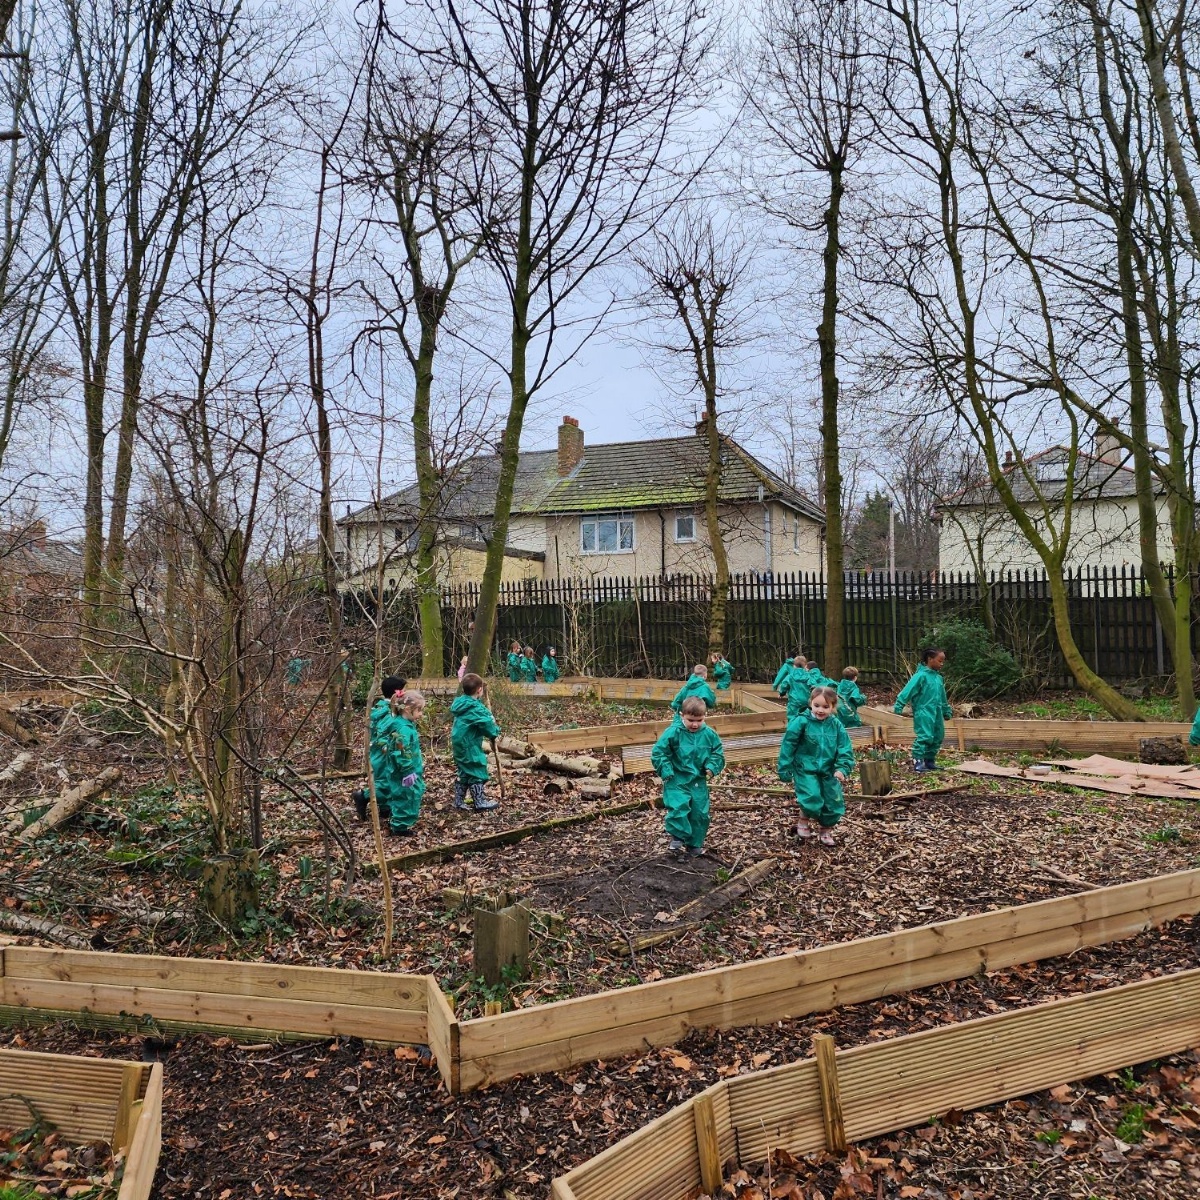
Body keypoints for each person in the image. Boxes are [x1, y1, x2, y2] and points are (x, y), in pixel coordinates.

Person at [778, 684, 856, 846]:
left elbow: (845, 747)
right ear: (810, 703)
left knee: (833, 803)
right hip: (805, 768)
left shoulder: (836, 725)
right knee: (811, 796)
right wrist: (785, 766)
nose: (820, 710)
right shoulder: (801, 721)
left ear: (833, 707)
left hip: (828, 770)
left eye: (825, 707)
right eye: (817, 705)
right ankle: (803, 821)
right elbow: (789, 744)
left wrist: (842, 767)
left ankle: (825, 830)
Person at [651, 695, 726, 860]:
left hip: (698, 780)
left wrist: (712, 768)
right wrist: (666, 770)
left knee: (700, 812)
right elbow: (659, 752)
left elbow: (718, 753)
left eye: (699, 720)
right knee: (678, 807)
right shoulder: (673, 732)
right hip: (676, 778)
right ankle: (677, 839)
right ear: (681, 716)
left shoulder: (710, 734)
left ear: (705, 716)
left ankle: (694, 844)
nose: (695, 724)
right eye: (691, 720)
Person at [351, 675, 406, 821]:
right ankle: (363, 796)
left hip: (380, 752)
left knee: (386, 779)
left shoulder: (382, 708)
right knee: (384, 781)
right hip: (382, 753)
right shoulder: (388, 712)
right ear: (396, 693)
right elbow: (383, 732)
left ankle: (385, 808)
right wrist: (387, 748)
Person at [375, 690, 426, 836]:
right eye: (419, 710)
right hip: (406, 772)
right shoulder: (403, 728)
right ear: (408, 709)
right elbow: (401, 751)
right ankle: (400, 826)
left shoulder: (399, 723)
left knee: (401, 795)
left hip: (402, 770)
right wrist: (407, 770)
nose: (421, 714)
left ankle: (398, 821)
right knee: (407, 796)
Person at [894, 647, 953, 772]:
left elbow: (942, 696)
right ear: (930, 659)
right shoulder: (920, 676)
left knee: (938, 735)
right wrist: (899, 705)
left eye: (943, 661)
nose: (942, 664)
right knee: (925, 735)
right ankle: (918, 761)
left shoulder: (938, 678)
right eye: (939, 661)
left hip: (936, 711)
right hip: (923, 710)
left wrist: (946, 710)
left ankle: (929, 760)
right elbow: (907, 691)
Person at [450, 672, 501, 811]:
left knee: (465, 771)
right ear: (480, 690)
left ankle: (459, 801)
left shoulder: (461, 703)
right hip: (469, 744)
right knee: (476, 767)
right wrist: (495, 730)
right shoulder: (476, 708)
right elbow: (488, 727)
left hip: (459, 744)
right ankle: (479, 802)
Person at [778, 655, 812, 720]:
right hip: (807, 701)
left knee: (792, 716)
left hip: (794, 701)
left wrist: (782, 693)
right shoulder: (809, 676)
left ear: (794, 665)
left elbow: (784, 685)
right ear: (805, 666)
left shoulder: (790, 676)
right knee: (807, 716)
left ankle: (793, 728)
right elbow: (813, 685)